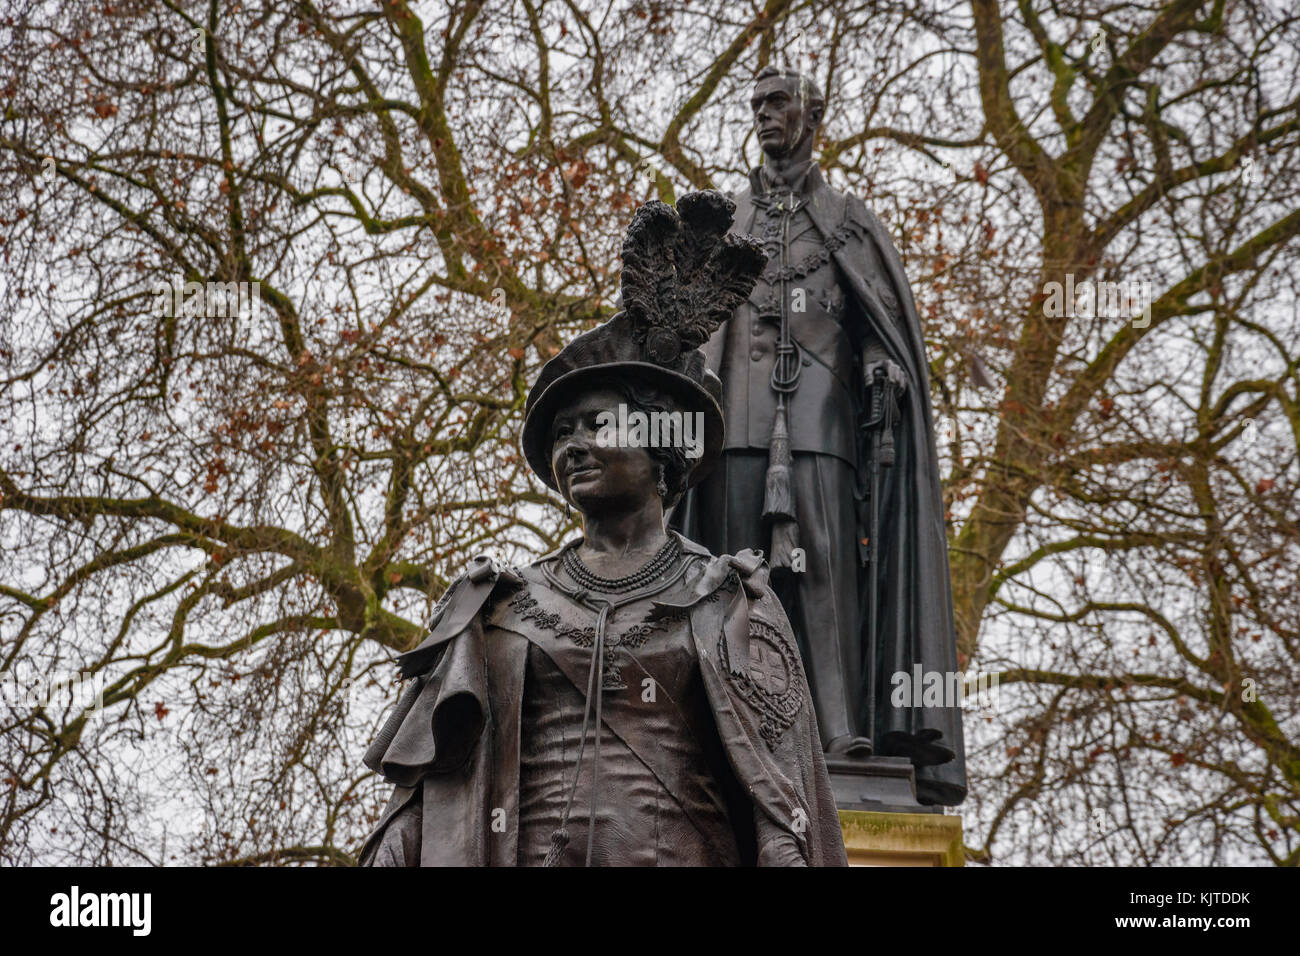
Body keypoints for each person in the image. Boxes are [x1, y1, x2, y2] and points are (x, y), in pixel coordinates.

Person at [359, 191, 847, 866]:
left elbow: (780, 802)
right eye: (562, 433)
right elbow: (422, 795)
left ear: (662, 449)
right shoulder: (497, 606)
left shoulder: (729, 598)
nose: (574, 447)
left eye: (597, 425)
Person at [672, 66, 966, 805]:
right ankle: (729, 720)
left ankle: (840, 730)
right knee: (734, 573)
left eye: (777, 102)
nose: (764, 115)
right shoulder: (726, 221)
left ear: (814, 112)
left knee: (826, 571)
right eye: (755, 105)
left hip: (823, 427)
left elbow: (879, 326)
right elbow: (691, 331)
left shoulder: (850, 223)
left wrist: (881, 368)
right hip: (735, 425)